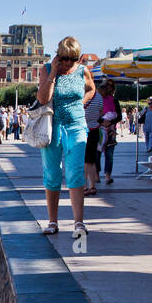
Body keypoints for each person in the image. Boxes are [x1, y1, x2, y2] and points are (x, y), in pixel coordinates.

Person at [37, 36, 94, 237]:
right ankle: (53, 221)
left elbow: (92, 89)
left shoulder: (82, 71)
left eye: (74, 59)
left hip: (77, 126)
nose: (69, 63)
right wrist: (53, 73)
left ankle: (79, 222)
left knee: (75, 172)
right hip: (53, 128)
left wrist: (82, 104)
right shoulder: (47, 69)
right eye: (65, 59)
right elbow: (43, 98)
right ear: (58, 56)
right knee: (52, 174)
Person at [98, 79, 121, 185]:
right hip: (99, 130)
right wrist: (102, 122)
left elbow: (119, 116)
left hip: (111, 131)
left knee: (109, 154)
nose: (109, 87)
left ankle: (108, 176)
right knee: (96, 154)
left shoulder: (115, 101)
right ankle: (96, 175)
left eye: (112, 86)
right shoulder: (98, 100)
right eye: (107, 85)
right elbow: (93, 114)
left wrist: (110, 122)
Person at [83, 83, 104, 195]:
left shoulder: (81, 95)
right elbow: (101, 113)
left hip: (82, 130)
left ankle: (85, 186)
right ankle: (92, 186)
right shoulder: (99, 97)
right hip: (95, 130)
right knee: (91, 160)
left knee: (84, 160)